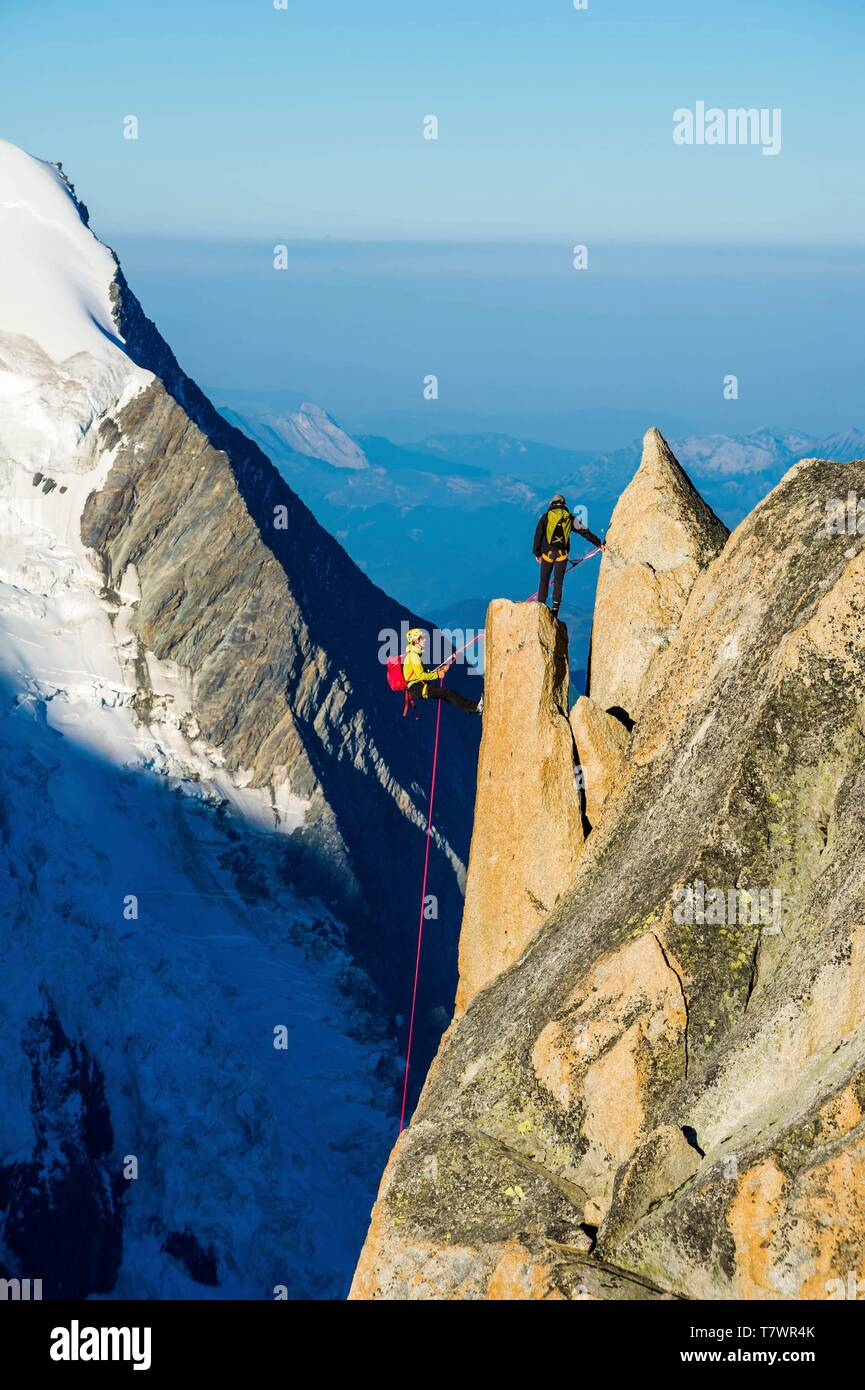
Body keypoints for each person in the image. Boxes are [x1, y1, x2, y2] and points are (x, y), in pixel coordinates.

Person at [532, 494, 603, 618]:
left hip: (547, 554)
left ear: (551, 504)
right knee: (558, 582)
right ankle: (555, 609)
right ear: (563, 503)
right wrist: (598, 543)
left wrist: (537, 553)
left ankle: (541, 607)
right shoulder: (569, 517)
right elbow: (584, 531)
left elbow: (538, 535)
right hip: (562, 555)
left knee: (544, 581)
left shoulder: (545, 517)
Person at [403, 629, 482, 715]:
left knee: (448, 694)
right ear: (416, 641)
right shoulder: (413, 656)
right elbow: (421, 675)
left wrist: (440, 670)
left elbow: (424, 673)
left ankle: (475, 708)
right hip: (418, 688)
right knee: (448, 693)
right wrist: (438, 674)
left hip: (418, 688)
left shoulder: (413, 655)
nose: (424, 639)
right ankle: (476, 708)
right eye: (421, 638)